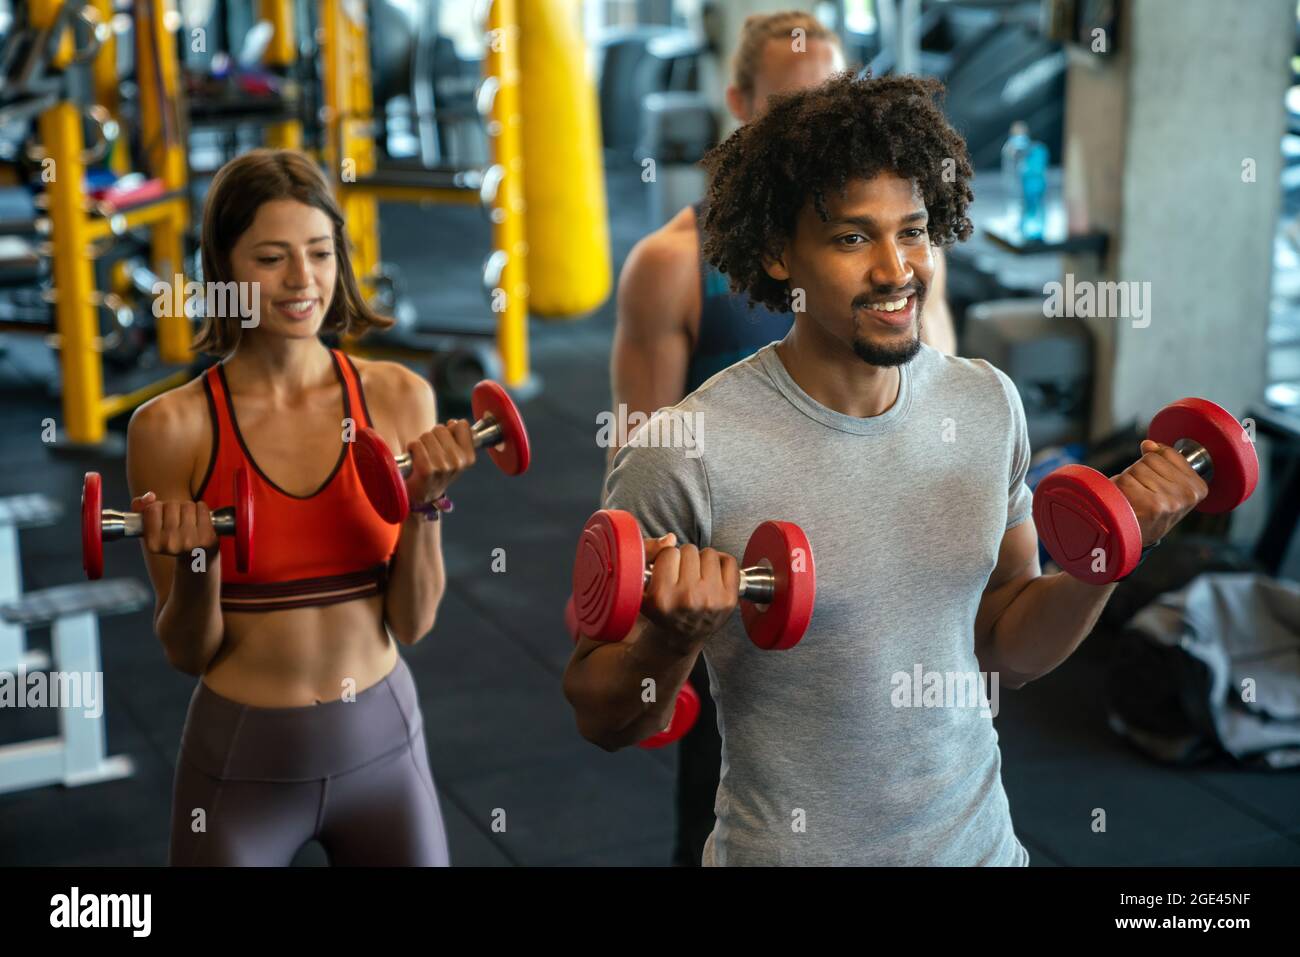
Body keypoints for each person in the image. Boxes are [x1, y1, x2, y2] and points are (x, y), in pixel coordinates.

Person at [565, 72, 1208, 865]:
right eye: (851, 238)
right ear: (777, 253)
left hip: (980, 849)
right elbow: (600, 714)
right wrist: (669, 642)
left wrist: (1113, 553)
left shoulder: (986, 403)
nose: (894, 268)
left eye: (911, 230)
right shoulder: (686, 448)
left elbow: (1005, 642)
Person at [609, 10, 956, 867]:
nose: (815, 126)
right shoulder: (672, 262)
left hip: (883, 579)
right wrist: (658, 624)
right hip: (741, 597)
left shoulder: (899, 265)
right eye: (790, 103)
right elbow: (637, 465)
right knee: (727, 815)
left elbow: (939, 402)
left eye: (832, 99)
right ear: (739, 101)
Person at [129, 149, 475, 865]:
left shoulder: (397, 397)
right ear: (223, 271)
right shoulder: (173, 428)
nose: (302, 280)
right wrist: (199, 560)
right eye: (271, 257)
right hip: (241, 764)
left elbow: (413, 622)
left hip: (383, 746)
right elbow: (185, 650)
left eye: (319, 253)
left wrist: (424, 508)